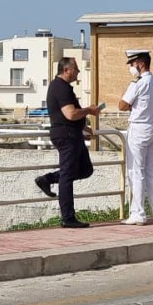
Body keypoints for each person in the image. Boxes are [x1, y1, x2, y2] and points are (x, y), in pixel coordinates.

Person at [33, 57, 101, 228]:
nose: (78, 72)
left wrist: (84, 127)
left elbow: (71, 117)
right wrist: (89, 110)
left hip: (73, 133)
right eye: (76, 69)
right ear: (67, 70)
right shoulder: (60, 88)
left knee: (85, 169)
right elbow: (70, 114)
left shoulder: (63, 88)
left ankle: (47, 179)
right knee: (67, 176)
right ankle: (68, 217)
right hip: (66, 136)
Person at [119, 49, 153, 224]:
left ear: (140, 63)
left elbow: (122, 105)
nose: (131, 67)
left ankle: (138, 213)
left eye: (132, 63)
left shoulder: (137, 83)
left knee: (136, 172)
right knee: (152, 171)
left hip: (139, 129)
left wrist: (131, 105)